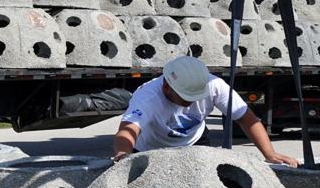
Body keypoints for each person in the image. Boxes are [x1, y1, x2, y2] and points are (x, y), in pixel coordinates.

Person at [113, 56, 300, 167]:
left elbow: (247, 119)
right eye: (186, 97)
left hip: (195, 142)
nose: (190, 102)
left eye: (195, 97)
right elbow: (128, 129)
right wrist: (123, 155)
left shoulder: (214, 85)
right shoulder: (147, 96)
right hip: (150, 148)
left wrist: (270, 154)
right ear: (167, 88)